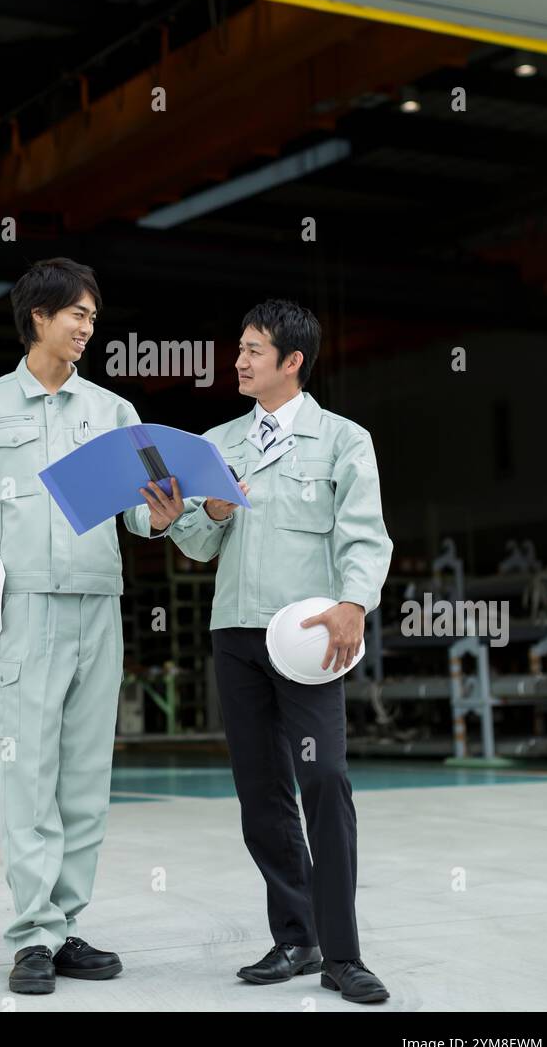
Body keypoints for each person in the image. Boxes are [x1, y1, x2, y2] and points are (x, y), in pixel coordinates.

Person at [135, 299, 393, 1004]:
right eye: (240, 348)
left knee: (325, 781)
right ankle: (295, 938)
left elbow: (365, 536)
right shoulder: (217, 445)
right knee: (262, 794)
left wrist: (353, 603)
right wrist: (191, 516)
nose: (240, 361)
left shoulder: (344, 440)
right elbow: (197, 544)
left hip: (308, 637)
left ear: (292, 362)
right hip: (236, 634)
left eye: (253, 350)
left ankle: (343, 954)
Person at [0, 257, 164, 995]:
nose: (89, 328)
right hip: (25, 609)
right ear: (39, 318)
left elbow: (139, 513)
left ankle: (65, 927)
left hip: (99, 604)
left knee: (86, 778)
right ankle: (31, 935)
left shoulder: (117, 413)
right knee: (29, 773)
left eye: (93, 317)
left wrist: (158, 514)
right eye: (78, 315)